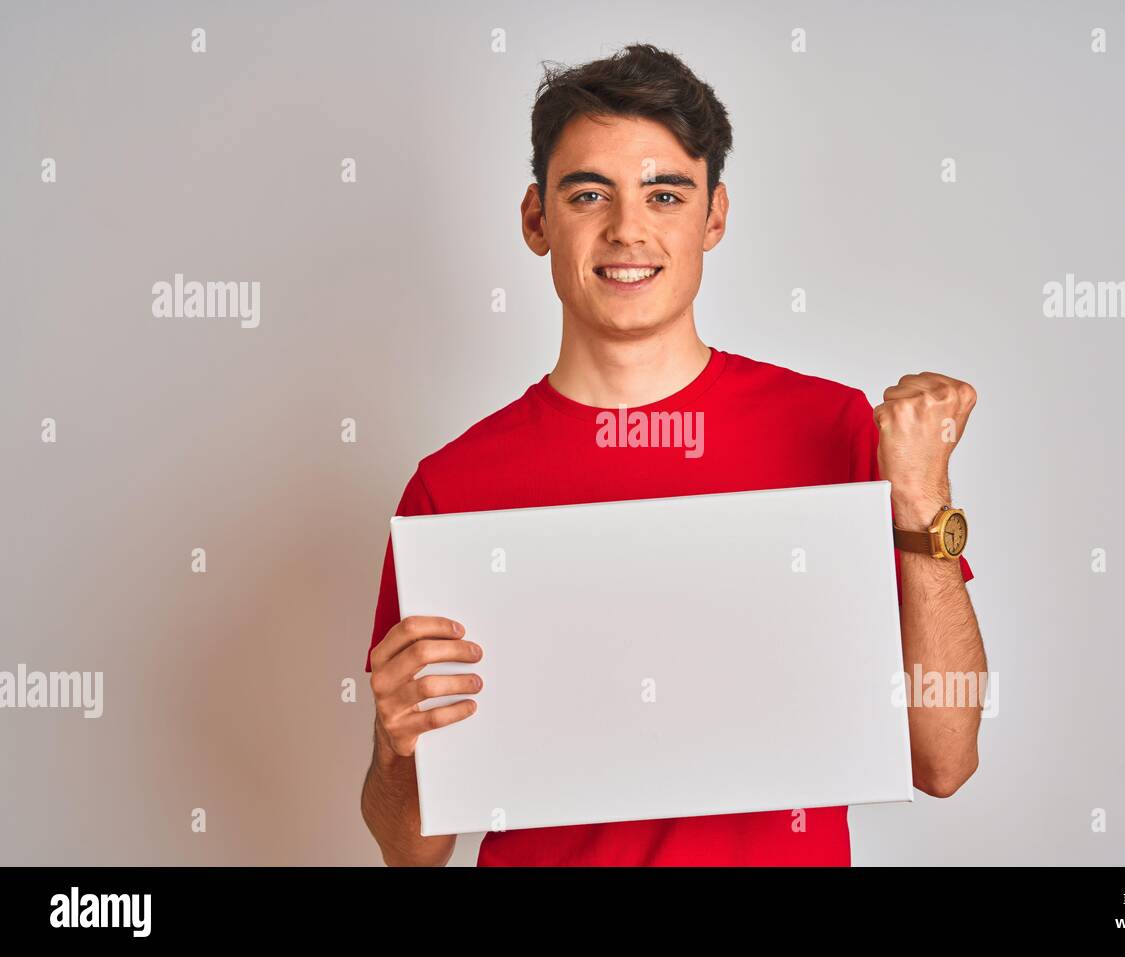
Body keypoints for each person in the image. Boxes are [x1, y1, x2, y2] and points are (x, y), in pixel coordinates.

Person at [360, 43, 986, 866]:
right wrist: (394, 743)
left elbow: (945, 760)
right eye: (590, 193)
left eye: (665, 193)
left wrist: (923, 506)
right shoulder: (454, 486)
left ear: (713, 217)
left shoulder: (834, 428)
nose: (629, 229)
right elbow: (412, 851)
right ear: (536, 218)